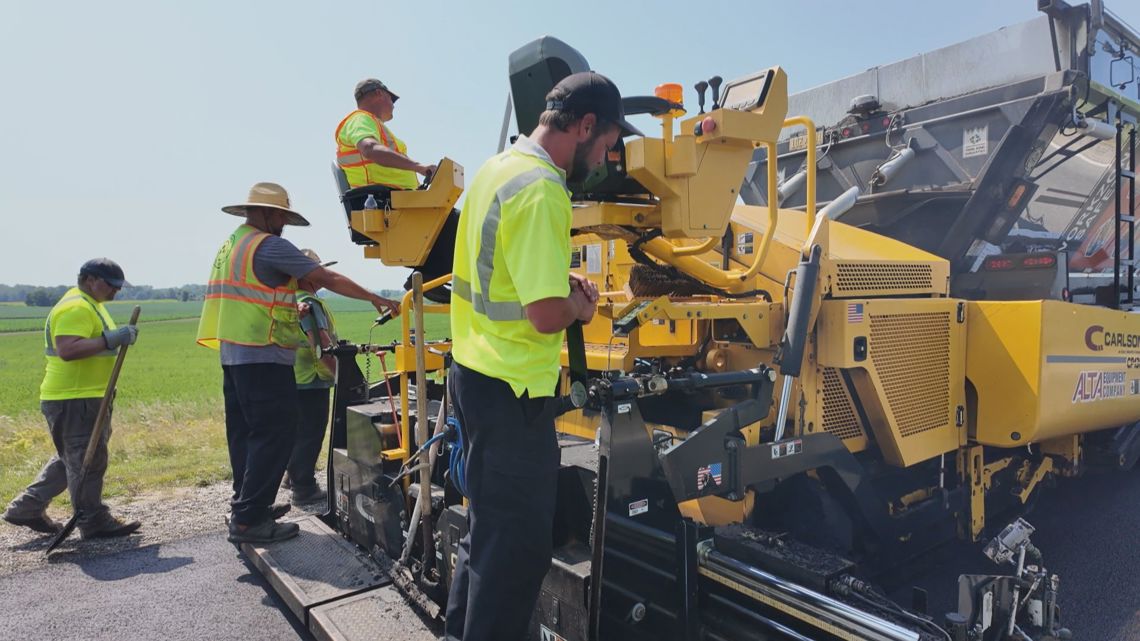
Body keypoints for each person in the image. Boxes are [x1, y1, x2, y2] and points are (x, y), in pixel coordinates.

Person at [444, 71, 641, 641]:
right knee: (517, 555)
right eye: (604, 145)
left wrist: (559, 280)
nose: (603, 160)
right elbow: (543, 315)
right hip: (513, 395)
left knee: (489, 536)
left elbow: (504, 275)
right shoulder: (543, 189)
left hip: (476, 373)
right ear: (583, 127)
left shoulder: (497, 169)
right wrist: (577, 308)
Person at [196, 182, 399, 544]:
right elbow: (325, 277)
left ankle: (246, 505)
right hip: (263, 351)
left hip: (235, 353)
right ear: (263, 213)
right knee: (275, 433)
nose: (283, 223)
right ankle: (249, 520)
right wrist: (373, 297)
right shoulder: (268, 245)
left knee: (244, 433)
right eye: (280, 215)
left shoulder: (232, 245)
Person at [2, 259, 142, 539]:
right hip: (75, 398)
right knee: (88, 461)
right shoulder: (75, 307)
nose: (116, 291)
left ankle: (26, 507)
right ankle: (93, 520)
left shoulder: (90, 304)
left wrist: (114, 339)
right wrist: (111, 339)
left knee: (73, 458)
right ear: (90, 279)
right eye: (111, 285)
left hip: (84, 397)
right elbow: (67, 349)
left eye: (119, 287)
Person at [335, 78, 458, 301]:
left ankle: (428, 275)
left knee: (453, 220)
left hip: (396, 202)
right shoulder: (360, 120)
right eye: (392, 99)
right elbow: (370, 149)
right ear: (378, 94)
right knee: (458, 224)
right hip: (385, 205)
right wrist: (418, 167)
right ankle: (429, 276)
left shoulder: (374, 125)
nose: (393, 105)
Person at [282, 249, 340, 505]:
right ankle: (303, 488)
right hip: (313, 378)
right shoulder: (309, 303)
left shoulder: (289, 299)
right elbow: (321, 346)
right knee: (310, 433)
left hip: (294, 375)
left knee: (295, 431)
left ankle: (290, 476)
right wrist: (342, 376)